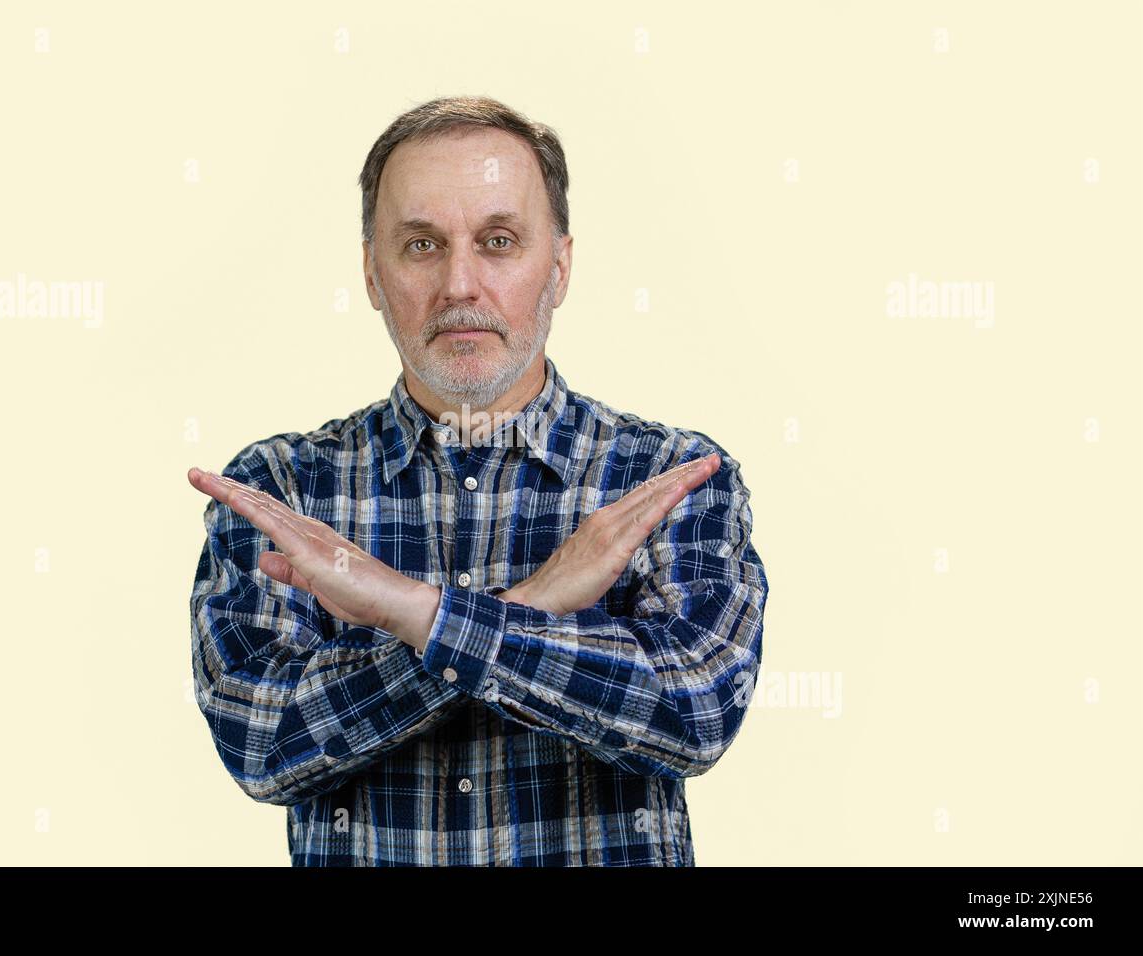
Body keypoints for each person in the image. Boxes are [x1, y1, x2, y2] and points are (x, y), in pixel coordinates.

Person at [187, 95, 769, 866]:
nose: (460, 283)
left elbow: (693, 713)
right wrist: (531, 607)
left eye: (498, 241)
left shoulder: (669, 480)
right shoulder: (282, 491)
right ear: (371, 272)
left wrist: (410, 611)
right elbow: (263, 743)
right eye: (421, 245)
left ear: (558, 267)